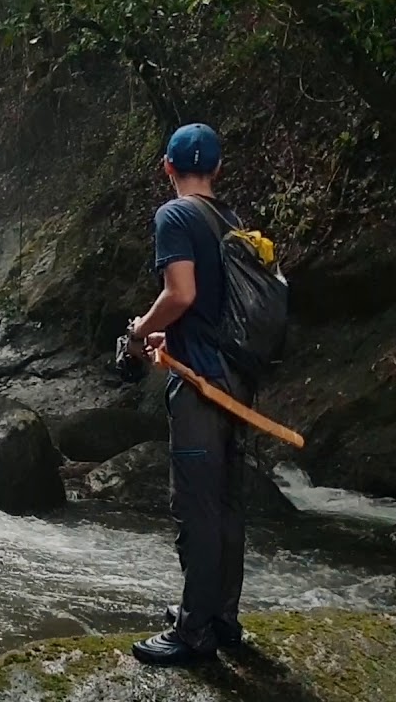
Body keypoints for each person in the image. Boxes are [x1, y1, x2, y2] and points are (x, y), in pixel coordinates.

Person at [124, 122, 256, 666]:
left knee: (196, 507)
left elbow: (181, 293)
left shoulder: (174, 215)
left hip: (201, 388)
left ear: (168, 168)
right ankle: (223, 617)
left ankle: (194, 632)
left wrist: (138, 331)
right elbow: (211, 311)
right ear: (218, 169)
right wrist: (169, 334)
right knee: (227, 504)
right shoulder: (233, 222)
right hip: (237, 382)